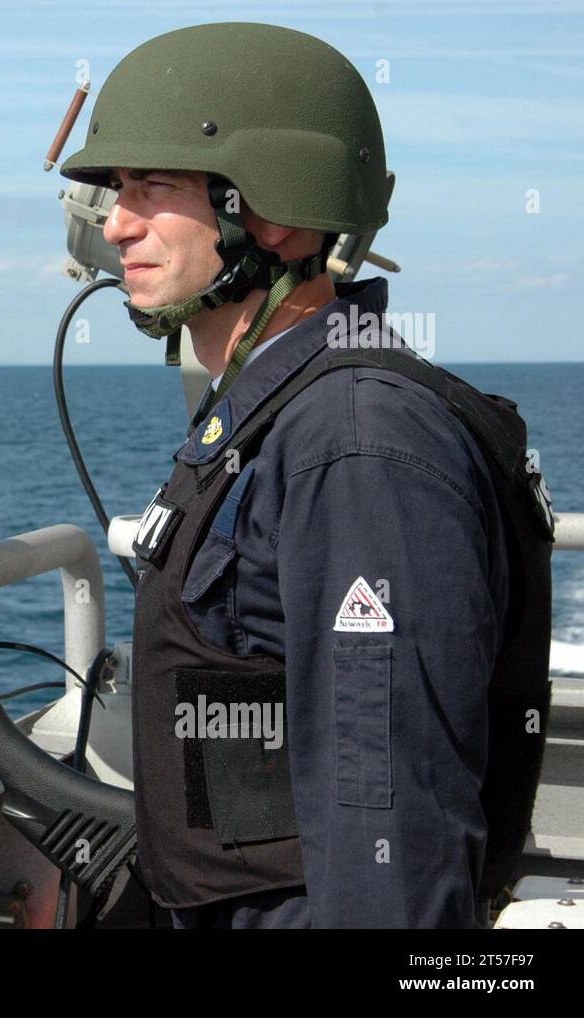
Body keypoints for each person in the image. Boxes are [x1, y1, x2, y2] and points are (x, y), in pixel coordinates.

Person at [59, 22, 553, 928]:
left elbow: (393, 839)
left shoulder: (357, 445)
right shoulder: (272, 409)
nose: (117, 223)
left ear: (271, 209)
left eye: (152, 188)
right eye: (116, 191)